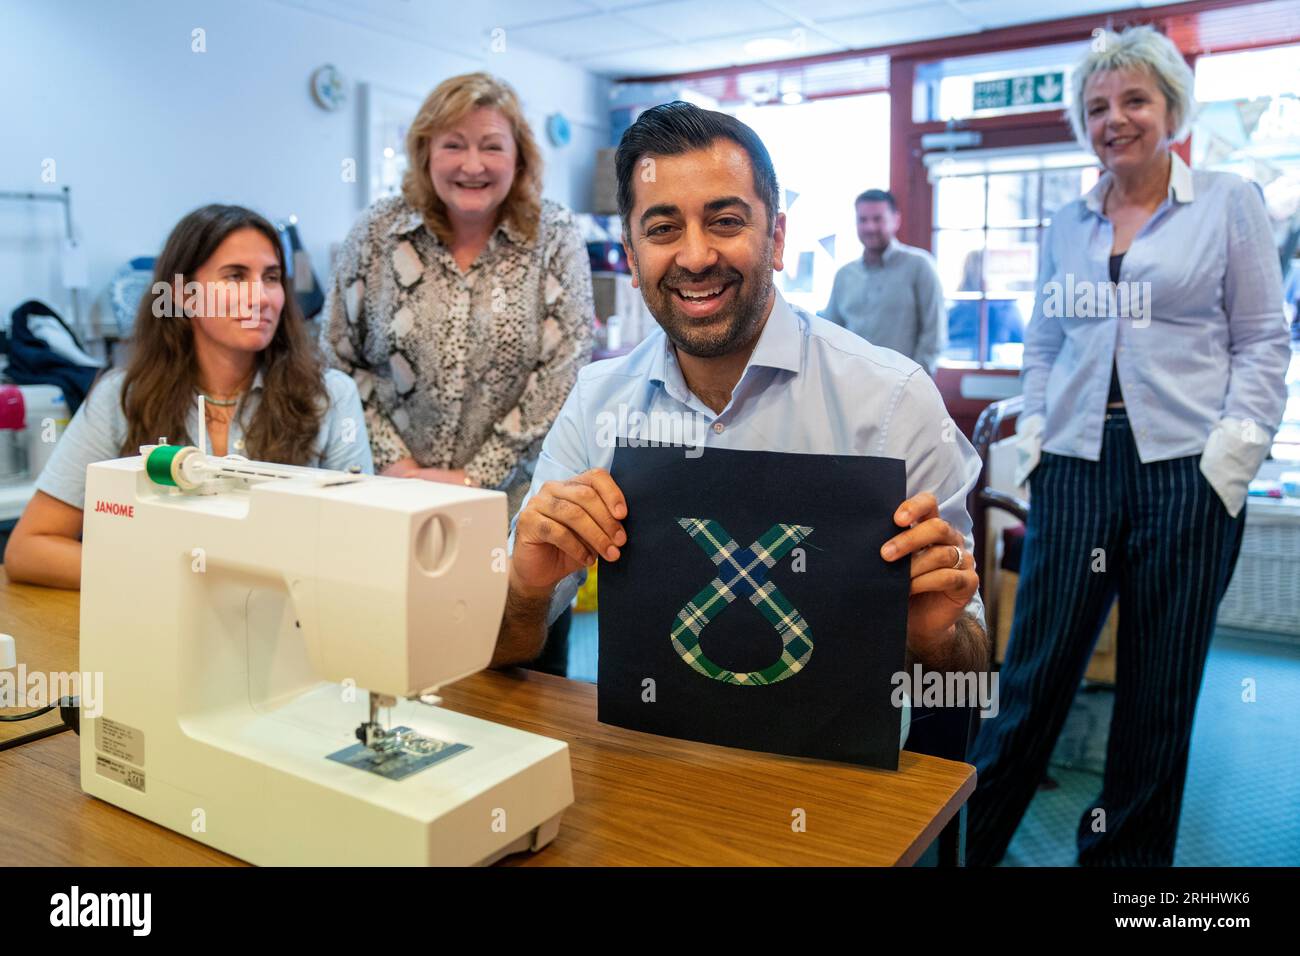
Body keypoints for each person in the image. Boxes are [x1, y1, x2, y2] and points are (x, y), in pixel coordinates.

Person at [489, 101, 988, 680]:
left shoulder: (893, 401)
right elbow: (504, 646)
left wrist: (934, 636)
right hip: (641, 756)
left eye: (726, 222)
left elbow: (965, 678)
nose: (696, 257)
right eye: (662, 229)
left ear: (776, 239)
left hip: (834, 766)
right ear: (631, 255)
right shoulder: (599, 400)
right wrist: (524, 588)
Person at [967, 26, 1291, 867]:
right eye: (1098, 106)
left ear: (1171, 108)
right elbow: (1043, 341)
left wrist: (1232, 457)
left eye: (1134, 100)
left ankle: (1124, 876)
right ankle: (964, 849)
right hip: (1076, 468)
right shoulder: (1069, 221)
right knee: (1031, 681)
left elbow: (1261, 339)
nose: (1116, 119)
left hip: (1187, 473)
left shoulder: (1228, 202)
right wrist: (1037, 434)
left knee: (1158, 694)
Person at [6, 204, 372, 589]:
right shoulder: (122, 398)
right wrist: (172, 582)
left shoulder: (329, 396)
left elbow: (360, 545)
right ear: (183, 296)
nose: (261, 297)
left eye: (272, 277)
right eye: (235, 276)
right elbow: (30, 548)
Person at [322, 72, 593, 514]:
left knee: (502, 588)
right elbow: (337, 357)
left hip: (515, 504)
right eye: (453, 145)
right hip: (388, 495)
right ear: (425, 151)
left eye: (491, 146)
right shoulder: (377, 231)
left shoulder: (554, 235)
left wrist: (477, 477)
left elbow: (562, 372)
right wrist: (398, 466)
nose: (472, 165)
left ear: (519, 158)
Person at [824, 189, 947, 374]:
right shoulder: (844, 275)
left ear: (896, 220)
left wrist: (917, 383)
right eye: (863, 220)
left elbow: (934, 334)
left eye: (877, 219)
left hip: (904, 387)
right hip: (852, 384)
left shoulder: (920, 266)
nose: (870, 227)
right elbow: (830, 333)